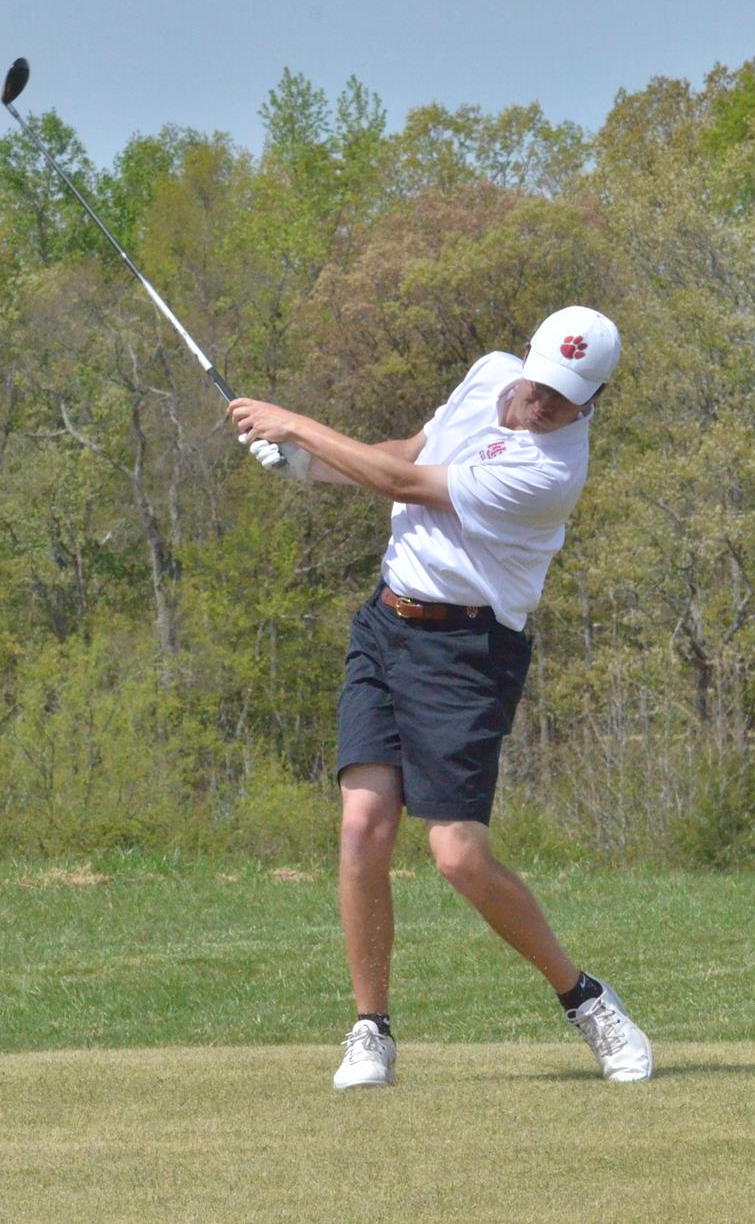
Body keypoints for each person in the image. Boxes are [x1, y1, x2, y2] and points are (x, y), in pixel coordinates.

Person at [227, 305, 654, 1089]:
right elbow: (405, 452)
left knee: (457, 855)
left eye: (566, 397)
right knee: (362, 825)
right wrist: (304, 464)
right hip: (386, 622)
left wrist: (296, 422)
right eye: (540, 385)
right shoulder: (489, 371)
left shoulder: (552, 471)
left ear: (594, 400)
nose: (543, 405)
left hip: (467, 651)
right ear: (524, 357)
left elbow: (401, 483)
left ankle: (586, 999)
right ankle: (370, 1029)